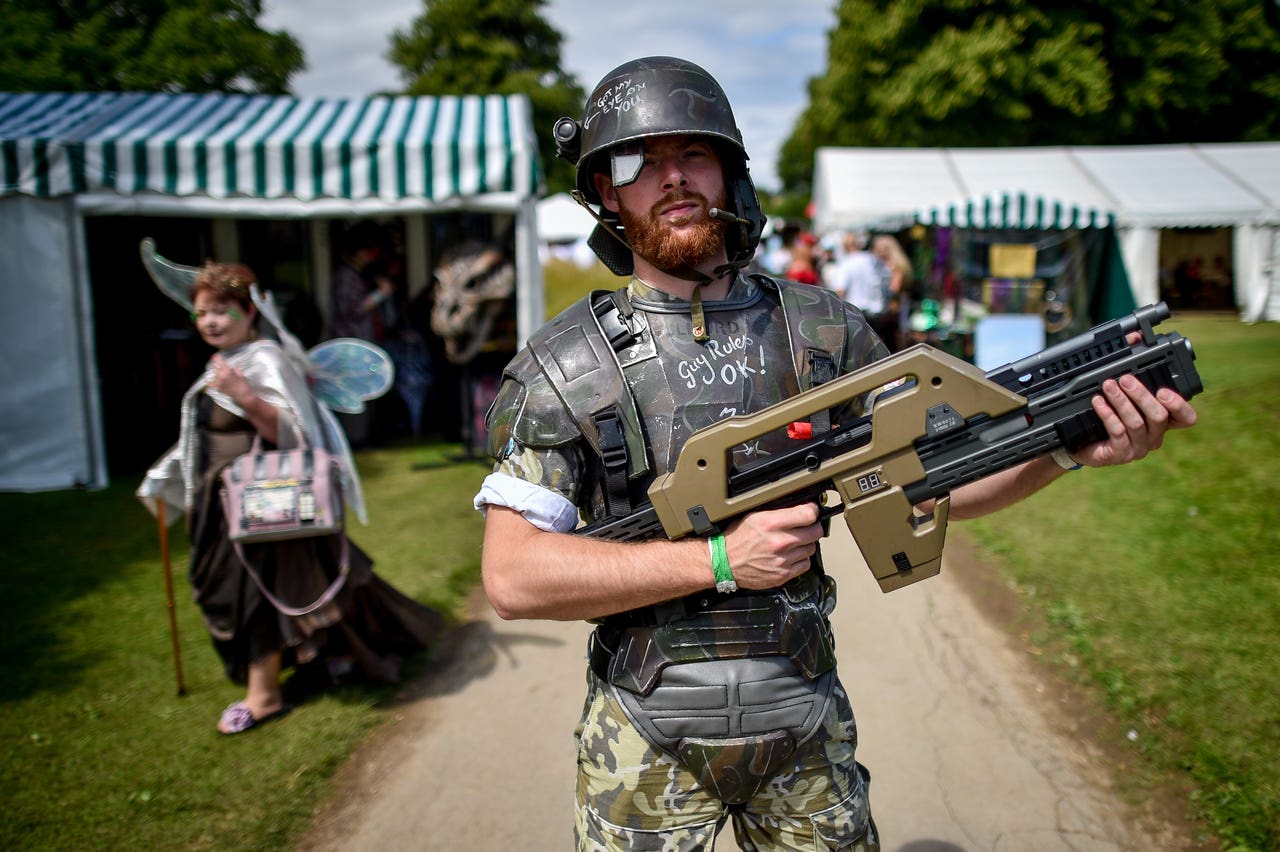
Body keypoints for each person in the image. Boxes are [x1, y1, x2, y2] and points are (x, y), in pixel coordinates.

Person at [473, 56, 1195, 851]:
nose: (672, 179)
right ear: (607, 192)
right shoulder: (561, 365)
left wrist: (1067, 444)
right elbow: (514, 575)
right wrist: (719, 560)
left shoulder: (822, 330)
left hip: (804, 720)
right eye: (640, 162)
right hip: (640, 738)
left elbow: (936, 477)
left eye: (695, 155)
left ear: (729, 172)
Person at [138, 261, 443, 735]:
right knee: (259, 588)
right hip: (218, 505)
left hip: (260, 502)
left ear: (250, 312)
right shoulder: (224, 361)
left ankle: (264, 696)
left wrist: (245, 396)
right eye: (202, 313)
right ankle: (346, 653)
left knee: (254, 593)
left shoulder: (265, 361)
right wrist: (166, 474)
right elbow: (201, 434)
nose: (211, 322)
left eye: (223, 311)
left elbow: (295, 433)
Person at [330, 221, 394, 446]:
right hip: (352, 347)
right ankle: (357, 438)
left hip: (363, 344)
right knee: (356, 391)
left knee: (366, 390)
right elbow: (352, 310)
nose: (372, 256)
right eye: (369, 251)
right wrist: (381, 294)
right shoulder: (346, 276)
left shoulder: (356, 273)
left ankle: (364, 435)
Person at [871, 234, 914, 350]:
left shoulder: (894, 267)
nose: (880, 253)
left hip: (894, 311)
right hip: (886, 311)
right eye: (878, 250)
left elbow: (894, 289)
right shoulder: (879, 266)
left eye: (884, 250)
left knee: (892, 342)